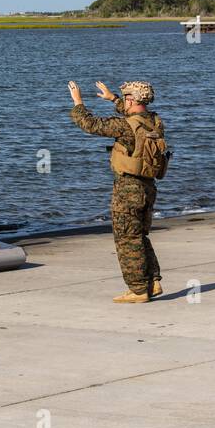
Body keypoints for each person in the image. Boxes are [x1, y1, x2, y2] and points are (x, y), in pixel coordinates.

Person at [69, 79, 168, 303]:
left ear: (132, 99)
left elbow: (91, 125)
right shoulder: (154, 121)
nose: (124, 102)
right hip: (148, 187)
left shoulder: (125, 127)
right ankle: (152, 281)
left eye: (125, 98)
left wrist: (78, 103)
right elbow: (132, 116)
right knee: (139, 236)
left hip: (128, 189)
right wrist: (113, 98)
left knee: (126, 239)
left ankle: (138, 290)